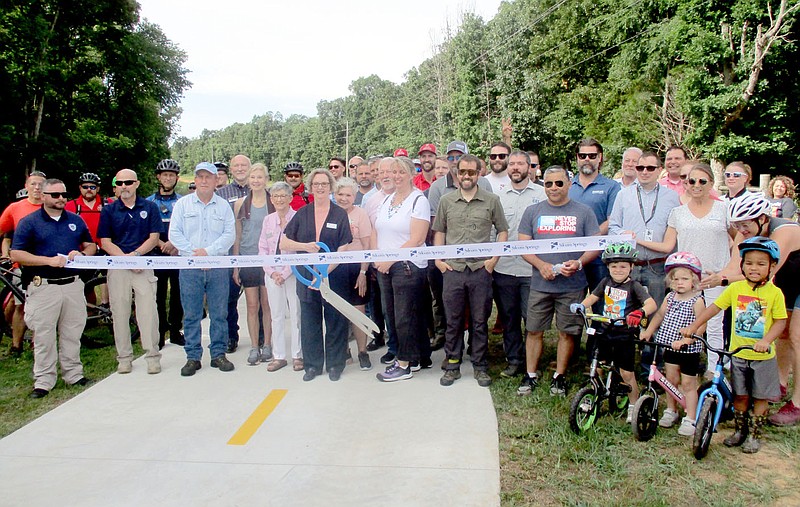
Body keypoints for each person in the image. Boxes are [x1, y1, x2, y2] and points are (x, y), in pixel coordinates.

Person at [681, 237, 787, 454]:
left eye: (760, 263)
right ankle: (740, 430)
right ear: (742, 266)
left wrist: (766, 341)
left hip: (762, 357)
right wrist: (693, 326)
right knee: (740, 395)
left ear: (772, 266)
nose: (754, 268)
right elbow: (714, 308)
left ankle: (754, 434)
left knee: (759, 397)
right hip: (738, 354)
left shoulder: (774, 293)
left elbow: (780, 321)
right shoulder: (736, 288)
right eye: (749, 263)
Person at [710, 192, 800, 426]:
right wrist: (716, 277)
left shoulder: (785, 231)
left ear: (762, 218)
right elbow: (734, 267)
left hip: (791, 272)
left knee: (797, 336)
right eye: (737, 225)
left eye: (745, 224)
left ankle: (798, 403)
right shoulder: (747, 230)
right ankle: (777, 384)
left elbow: (762, 272)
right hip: (787, 278)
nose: (741, 229)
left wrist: (722, 281)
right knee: (781, 332)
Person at [637, 162, 733, 376]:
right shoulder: (678, 213)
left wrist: (728, 272)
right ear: (685, 184)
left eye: (702, 181)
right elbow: (668, 246)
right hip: (688, 278)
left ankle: (712, 370)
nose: (696, 185)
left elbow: (738, 241)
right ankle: (680, 365)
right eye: (691, 181)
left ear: (711, 183)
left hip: (716, 276)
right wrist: (639, 240)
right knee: (684, 322)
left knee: (715, 324)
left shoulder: (723, 209)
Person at [517, 165, 600, 397]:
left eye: (559, 183)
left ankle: (559, 376)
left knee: (567, 331)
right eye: (548, 184)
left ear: (568, 184)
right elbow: (523, 244)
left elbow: (595, 245)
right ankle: (530, 374)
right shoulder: (532, 211)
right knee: (533, 329)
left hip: (572, 285)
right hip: (540, 283)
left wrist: (580, 263)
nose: (553, 188)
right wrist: (540, 265)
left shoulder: (583, 212)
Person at [11, 178, 96, 397]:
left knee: (72, 332)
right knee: (43, 336)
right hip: (44, 286)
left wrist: (83, 254)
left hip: (73, 285)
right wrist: (47, 261)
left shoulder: (75, 220)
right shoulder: (29, 222)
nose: (61, 199)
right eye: (56, 195)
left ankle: (74, 374)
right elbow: (17, 254)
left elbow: (90, 244)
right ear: (44, 196)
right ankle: (44, 381)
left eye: (64, 195)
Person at [433, 154, 509, 388]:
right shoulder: (446, 201)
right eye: (462, 172)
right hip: (453, 270)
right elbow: (439, 232)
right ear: (456, 173)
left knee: (479, 320)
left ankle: (480, 365)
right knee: (453, 320)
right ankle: (453, 363)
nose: (467, 176)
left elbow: (503, 230)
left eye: (472, 172)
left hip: (480, 270)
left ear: (479, 174)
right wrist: (439, 260)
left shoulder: (491, 200)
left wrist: (493, 259)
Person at [570, 242, 657, 422]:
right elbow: (593, 296)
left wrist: (639, 312)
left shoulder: (634, 286)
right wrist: (582, 305)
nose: (618, 270)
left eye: (623, 266)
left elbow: (651, 304)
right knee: (598, 365)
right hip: (604, 330)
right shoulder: (605, 282)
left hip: (623, 334)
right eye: (614, 266)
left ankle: (634, 404)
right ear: (608, 267)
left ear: (631, 267)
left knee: (626, 373)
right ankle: (595, 392)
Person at [280, 168, 353, 382]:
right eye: (316, 184)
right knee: (309, 322)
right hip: (306, 277)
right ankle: (312, 366)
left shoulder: (339, 214)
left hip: (334, 276)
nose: (320, 188)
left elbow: (344, 247)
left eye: (324, 184)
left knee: (335, 321)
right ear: (311, 188)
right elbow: (284, 243)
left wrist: (324, 273)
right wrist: (305, 246)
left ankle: (335, 365)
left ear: (331, 187)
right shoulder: (302, 213)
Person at [169, 162, 236, 377]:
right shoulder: (182, 205)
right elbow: (174, 234)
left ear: (217, 181)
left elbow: (229, 235)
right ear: (195, 180)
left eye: (209, 177)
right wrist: (194, 253)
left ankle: (218, 354)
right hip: (190, 268)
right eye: (200, 177)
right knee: (191, 314)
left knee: (219, 313)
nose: (205, 181)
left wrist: (209, 252)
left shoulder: (224, 206)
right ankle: (193, 357)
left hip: (217, 267)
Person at [98, 169, 163, 374]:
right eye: (120, 183)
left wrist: (136, 256)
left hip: (143, 265)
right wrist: (125, 260)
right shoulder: (109, 210)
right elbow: (105, 241)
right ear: (116, 186)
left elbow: (154, 238)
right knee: (120, 313)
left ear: (137, 183)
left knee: (148, 313)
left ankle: (152, 356)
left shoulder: (150, 207)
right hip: (118, 266)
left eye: (128, 182)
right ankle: (124, 358)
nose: (124, 186)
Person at [373, 157, 431, 381]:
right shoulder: (387, 200)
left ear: (410, 174)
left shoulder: (418, 201)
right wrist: (379, 258)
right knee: (394, 315)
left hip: (407, 266)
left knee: (404, 316)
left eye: (400, 172)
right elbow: (380, 230)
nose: (395, 176)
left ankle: (404, 364)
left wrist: (391, 259)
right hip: (386, 267)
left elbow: (417, 239)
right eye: (392, 172)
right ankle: (417, 358)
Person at [640, 252, 706, 436]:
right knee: (671, 380)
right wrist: (649, 332)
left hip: (688, 349)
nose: (679, 282)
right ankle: (671, 410)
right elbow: (660, 315)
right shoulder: (670, 298)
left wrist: (688, 339)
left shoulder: (697, 300)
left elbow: (702, 324)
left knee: (688, 383)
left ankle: (691, 417)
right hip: (668, 345)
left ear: (694, 280)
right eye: (675, 279)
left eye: (684, 278)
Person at [493, 151, 546, 378]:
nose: (515, 167)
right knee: (509, 317)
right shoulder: (499, 198)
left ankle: (532, 361)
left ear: (529, 167)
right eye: (511, 164)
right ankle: (514, 359)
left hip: (532, 270)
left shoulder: (544, 195)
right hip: (504, 268)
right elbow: (493, 231)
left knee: (531, 317)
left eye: (520, 164)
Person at [233, 163, 275, 366]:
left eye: (260, 177)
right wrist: (236, 264)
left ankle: (267, 343)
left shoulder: (273, 202)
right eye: (253, 177)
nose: (256, 181)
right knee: (251, 305)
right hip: (248, 259)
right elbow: (238, 235)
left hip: (268, 260)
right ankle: (253, 346)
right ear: (248, 180)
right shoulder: (240, 204)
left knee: (267, 304)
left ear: (266, 179)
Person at [0, 171, 46, 355]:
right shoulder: (14, 208)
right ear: (26, 187)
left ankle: (38, 344)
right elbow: (3, 231)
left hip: (45, 266)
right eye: (33, 184)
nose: (37, 188)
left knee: (42, 308)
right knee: (21, 305)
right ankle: (16, 345)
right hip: (21, 266)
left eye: (41, 184)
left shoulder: (52, 207)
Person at [258, 182, 302, 372]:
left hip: (293, 273)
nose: (279, 200)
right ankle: (279, 356)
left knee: (296, 314)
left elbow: (298, 249)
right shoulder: (268, 220)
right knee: (276, 315)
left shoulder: (298, 218)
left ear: (290, 198)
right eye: (276, 196)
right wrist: (272, 272)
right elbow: (262, 248)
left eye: (283, 195)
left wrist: (284, 272)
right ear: (271, 200)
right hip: (272, 274)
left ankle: (298, 355)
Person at [569, 138, 620, 297]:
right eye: (582, 155)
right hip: (572, 255)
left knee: (601, 304)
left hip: (600, 257)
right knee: (573, 304)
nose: (587, 159)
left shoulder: (612, 186)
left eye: (592, 156)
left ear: (600, 157)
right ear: (577, 158)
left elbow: (613, 219)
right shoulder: (567, 186)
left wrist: (592, 237)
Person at [333, 177, 373, 370]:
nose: (343, 198)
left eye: (348, 195)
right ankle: (343, 350)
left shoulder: (361, 214)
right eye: (340, 194)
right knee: (339, 311)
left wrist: (363, 272)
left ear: (354, 196)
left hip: (357, 268)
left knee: (358, 311)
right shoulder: (330, 214)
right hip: (335, 269)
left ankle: (362, 351)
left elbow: (367, 246)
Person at [147, 159, 184, 348]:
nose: (168, 178)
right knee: (158, 294)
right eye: (165, 175)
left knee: (178, 293)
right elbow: (146, 230)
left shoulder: (182, 201)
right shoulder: (149, 202)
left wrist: (175, 244)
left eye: (172, 175)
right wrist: (162, 244)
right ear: (158, 177)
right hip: (157, 250)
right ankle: (160, 332)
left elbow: (187, 228)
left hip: (177, 251)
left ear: (176, 178)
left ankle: (176, 330)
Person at [217, 154, 252, 353]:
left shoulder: (259, 191)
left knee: (258, 299)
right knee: (229, 298)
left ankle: (263, 336)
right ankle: (231, 336)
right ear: (231, 169)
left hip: (254, 251)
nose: (240, 168)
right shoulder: (221, 193)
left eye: (244, 165)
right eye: (236, 165)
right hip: (230, 252)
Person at [64, 172, 104, 244]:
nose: (89, 189)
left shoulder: (108, 204)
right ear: (80, 188)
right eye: (85, 187)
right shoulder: (70, 206)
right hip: (81, 251)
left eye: (92, 187)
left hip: (105, 251)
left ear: (98, 189)